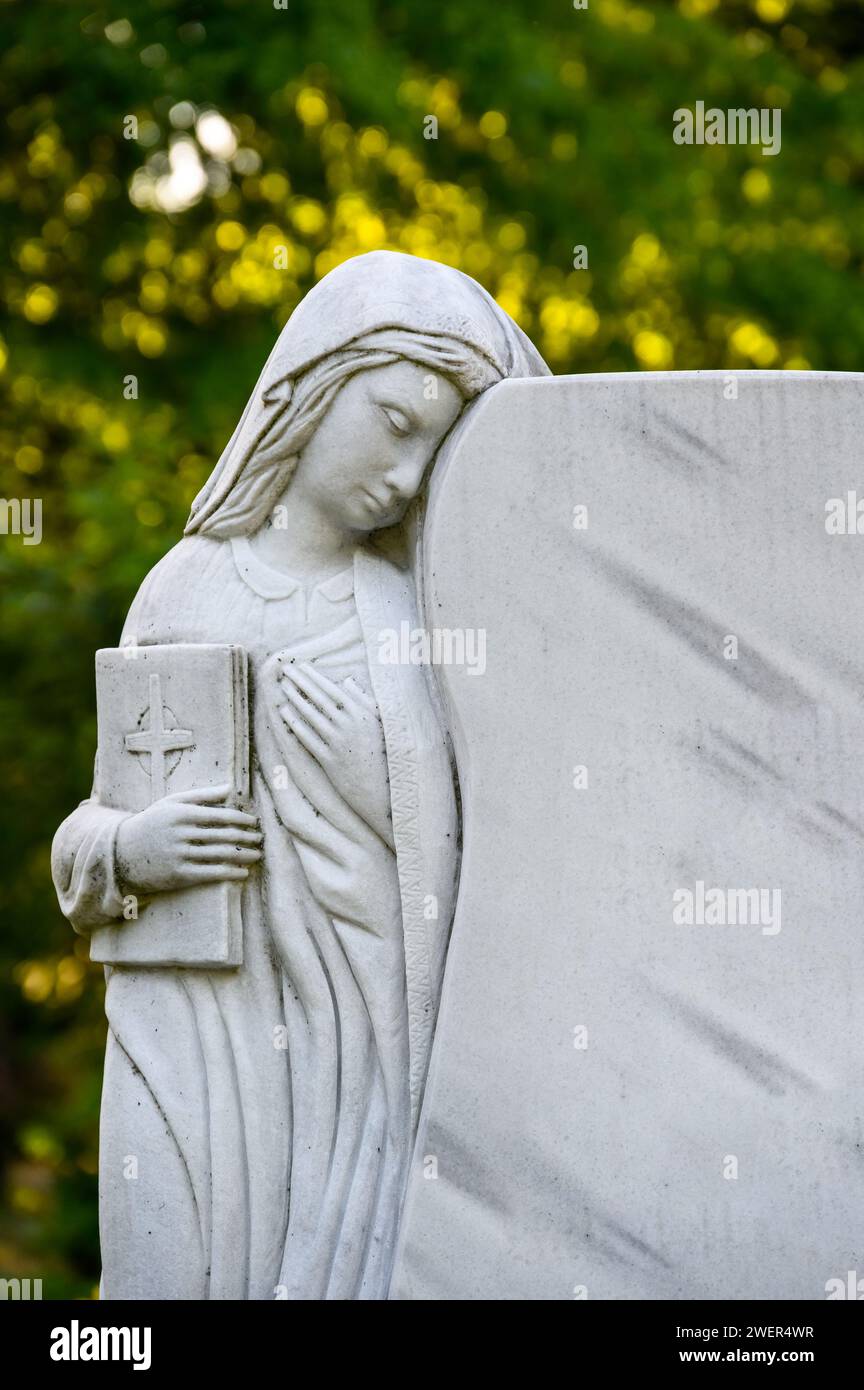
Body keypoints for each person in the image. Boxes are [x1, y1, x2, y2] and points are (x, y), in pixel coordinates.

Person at [52, 249, 549, 1299]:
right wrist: (136, 849)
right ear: (314, 385)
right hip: (199, 1032)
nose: (405, 476)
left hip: (357, 1054)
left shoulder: (410, 617)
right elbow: (93, 830)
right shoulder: (183, 593)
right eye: (396, 425)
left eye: (433, 452)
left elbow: (484, 849)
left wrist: (378, 775)